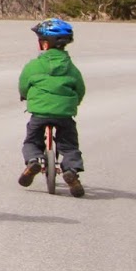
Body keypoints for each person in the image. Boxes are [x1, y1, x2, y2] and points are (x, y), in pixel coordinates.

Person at [17, 17, 87, 197]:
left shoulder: (34, 65)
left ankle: (33, 160)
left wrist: (24, 95)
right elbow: (80, 88)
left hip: (40, 113)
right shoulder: (71, 68)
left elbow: (24, 84)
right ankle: (71, 170)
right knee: (70, 145)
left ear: (45, 45)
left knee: (32, 141)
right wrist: (75, 101)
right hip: (64, 114)